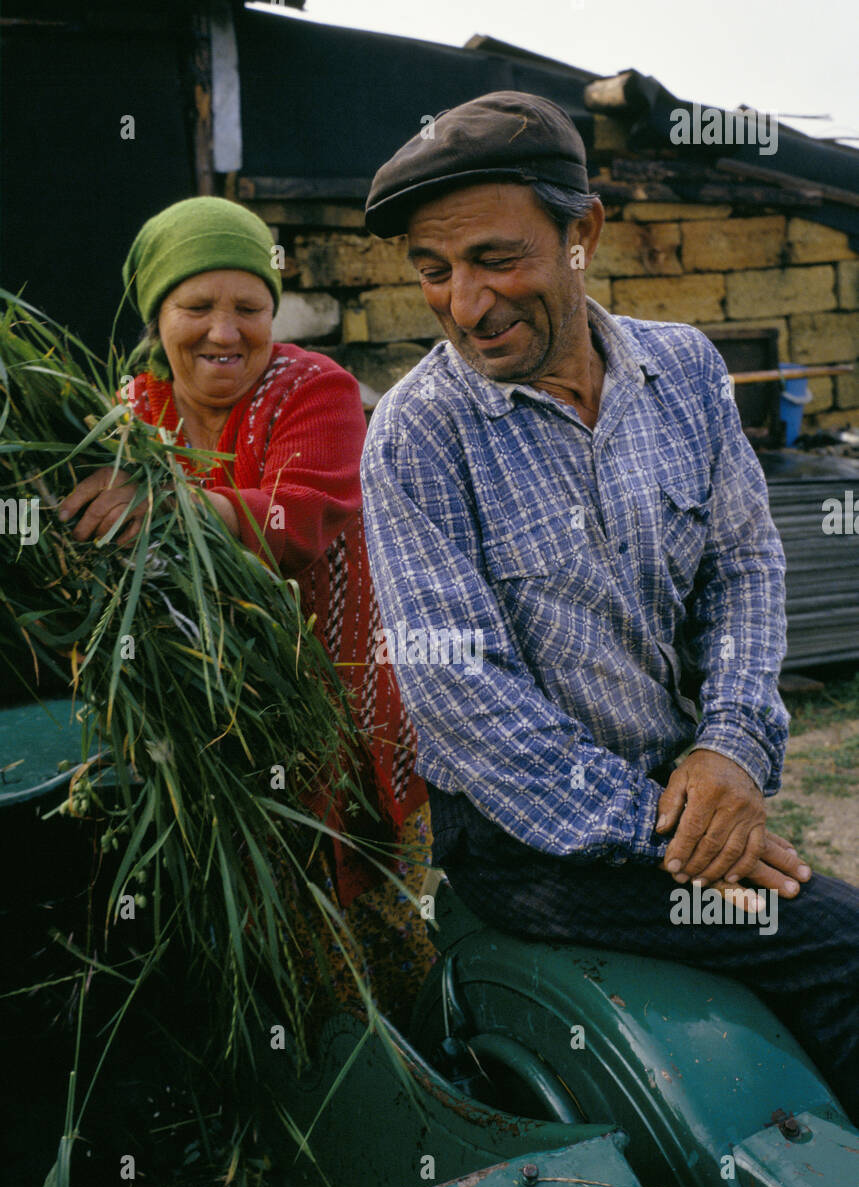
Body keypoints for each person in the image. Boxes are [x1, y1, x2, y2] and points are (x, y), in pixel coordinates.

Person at [359, 91, 858, 1119]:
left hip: (685, 794)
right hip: (534, 845)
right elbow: (471, 711)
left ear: (583, 234)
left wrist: (725, 747)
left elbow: (746, 565)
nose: (464, 303)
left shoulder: (683, 369)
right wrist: (676, 834)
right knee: (839, 945)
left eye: (498, 259)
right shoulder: (415, 439)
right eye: (432, 270)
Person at [57, 195, 436, 1026]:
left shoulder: (315, 389)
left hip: (335, 714)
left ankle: (420, 1079)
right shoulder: (132, 412)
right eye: (197, 307)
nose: (224, 333)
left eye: (249, 308)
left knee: (373, 920)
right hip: (212, 725)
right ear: (158, 313)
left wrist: (162, 504)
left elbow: (295, 523)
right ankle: (283, 1084)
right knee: (255, 930)